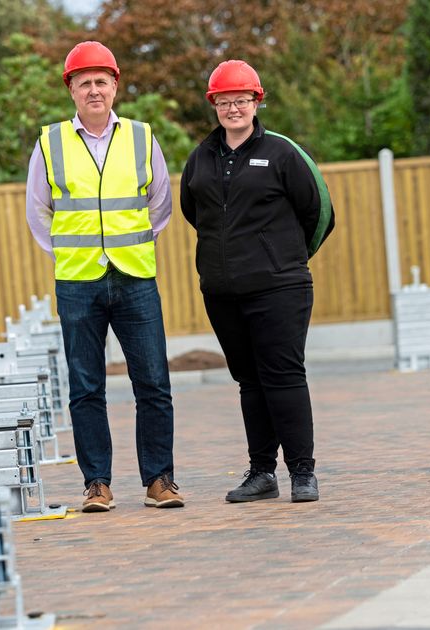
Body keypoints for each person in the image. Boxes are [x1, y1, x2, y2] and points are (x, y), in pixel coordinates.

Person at [25, 41, 183, 512]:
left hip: (134, 276)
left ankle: (159, 480)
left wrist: (130, 242)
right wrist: (73, 253)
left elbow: (160, 202)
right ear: (71, 90)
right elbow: (38, 212)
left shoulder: (141, 136)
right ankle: (97, 483)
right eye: (84, 83)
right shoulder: (49, 143)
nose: (94, 90)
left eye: (102, 82)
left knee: (153, 382)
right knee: (85, 386)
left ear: (115, 86)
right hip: (77, 282)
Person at [179, 60, 335, 503]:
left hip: (280, 287)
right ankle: (262, 473)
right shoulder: (201, 158)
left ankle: (303, 473)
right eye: (224, 101)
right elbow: (197, 214)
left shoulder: (283, 153)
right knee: (249, 381)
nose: (233, 108)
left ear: (256, 101)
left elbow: (320, 213)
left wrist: (284, 258)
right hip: (223, 292)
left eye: (241, 100)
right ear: (214, 105)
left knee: (283, 376)